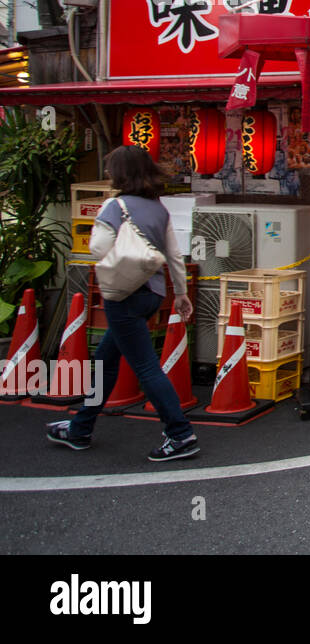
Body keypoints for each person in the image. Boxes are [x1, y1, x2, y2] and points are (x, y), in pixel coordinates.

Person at [46, 145, 199, 462]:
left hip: (123, 295)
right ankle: (80, 428)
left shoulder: (114, 206)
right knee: (106, 359)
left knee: (145, 366)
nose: (107, 175)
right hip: (153, 294)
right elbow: (174, 255)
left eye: (109, 169)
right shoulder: (159, 209)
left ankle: (181, 434)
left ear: (120, 173)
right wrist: (181, 294)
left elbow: (98, 248)